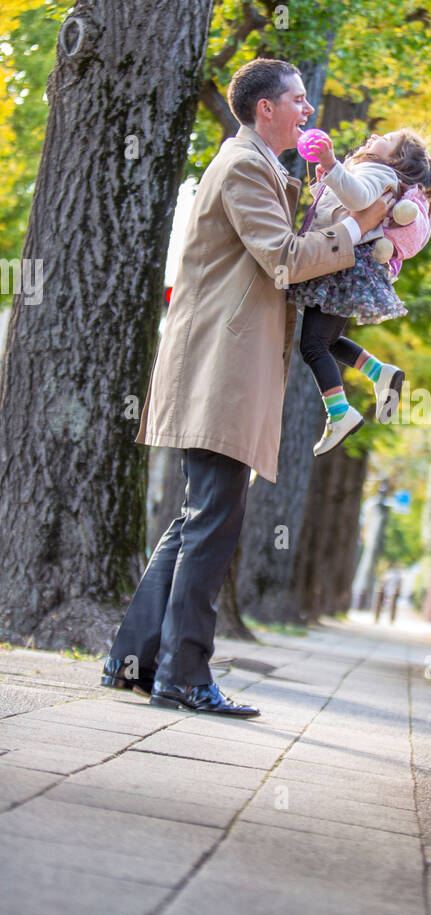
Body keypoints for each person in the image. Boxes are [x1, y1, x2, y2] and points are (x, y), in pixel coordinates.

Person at [100, 59, 387, 718]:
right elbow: (284, 259)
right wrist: (356, 229)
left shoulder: (260, 167)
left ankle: (134, 659)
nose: (307, 109)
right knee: (214, 524)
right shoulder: (243, 167)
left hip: (225, 366)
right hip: (220, 368)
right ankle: (183, 677)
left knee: (196, 520)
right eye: (297, 99)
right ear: (266, 109)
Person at [286, 128, 431, 456]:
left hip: (342, 263)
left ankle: (340, 414)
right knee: (327, 342)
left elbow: (358, 199)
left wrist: (331, 163)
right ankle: (380, 372)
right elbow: (340, 206)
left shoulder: (378, 170)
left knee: (314, 347)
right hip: (346, 262)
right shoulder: (374, 171)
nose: (374, 134)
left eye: (386, 136)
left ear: (395, 157)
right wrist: (326, 178)